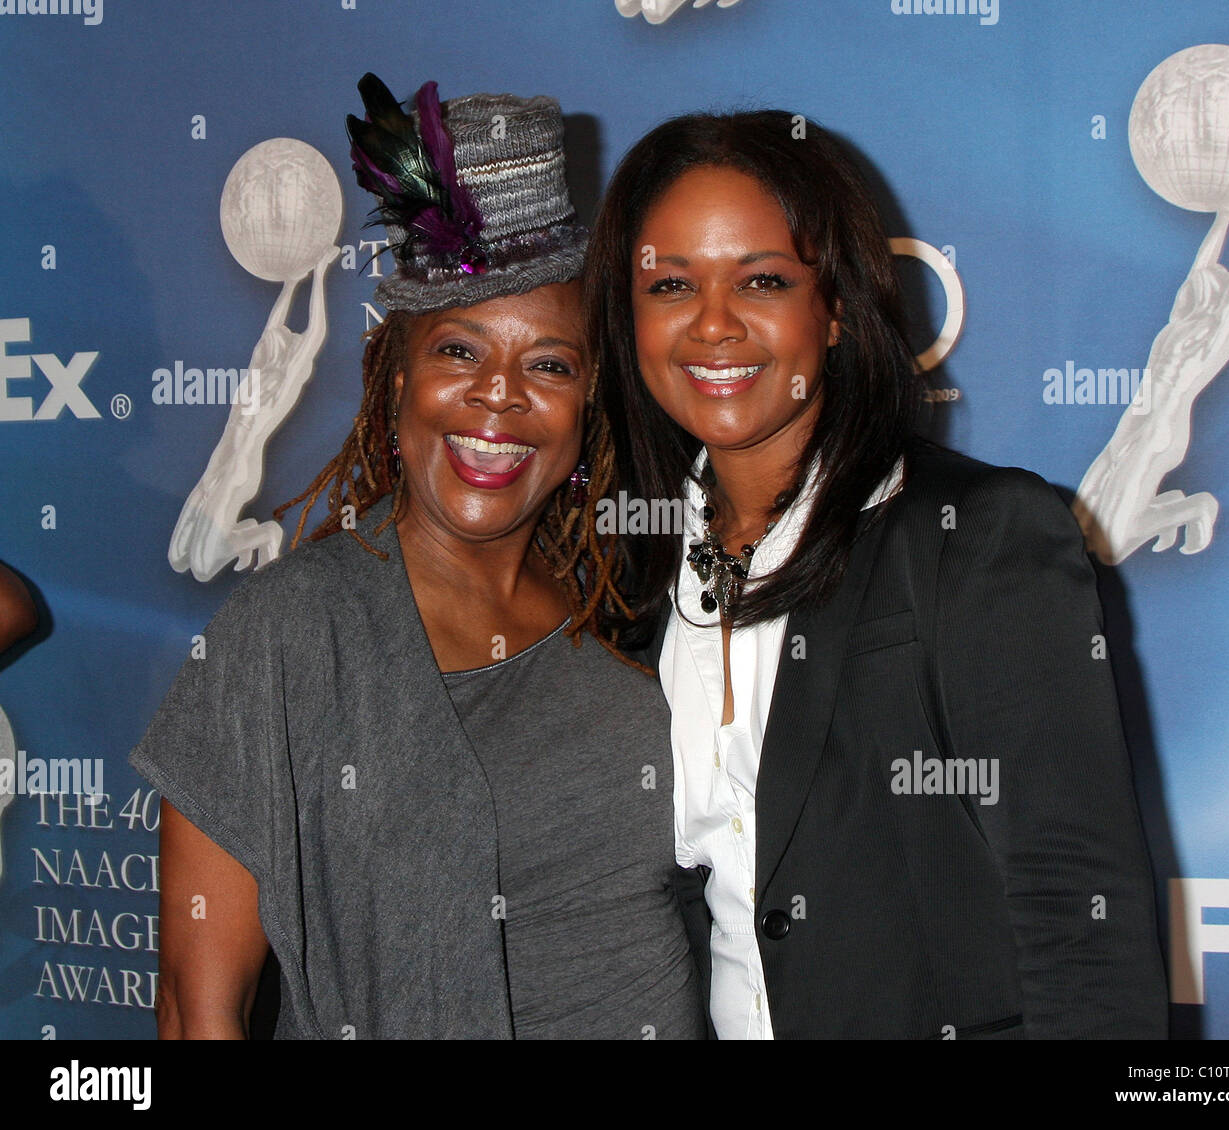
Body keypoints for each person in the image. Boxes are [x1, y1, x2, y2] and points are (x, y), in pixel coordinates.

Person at [130, 75, 704, 1040]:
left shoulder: (632, 602)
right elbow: (197, 1013)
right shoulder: (286, 637)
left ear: (587, 398)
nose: (500, 397)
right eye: (459, 353)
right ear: (396, 377)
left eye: (549, 364)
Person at [585, 110, 1168, 1039]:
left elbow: (1079, 916)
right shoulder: (628, 573)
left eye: (764, 280)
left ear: (840, 308)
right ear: (628, 317)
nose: (713, 326)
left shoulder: (974, 534)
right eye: (669, 285)